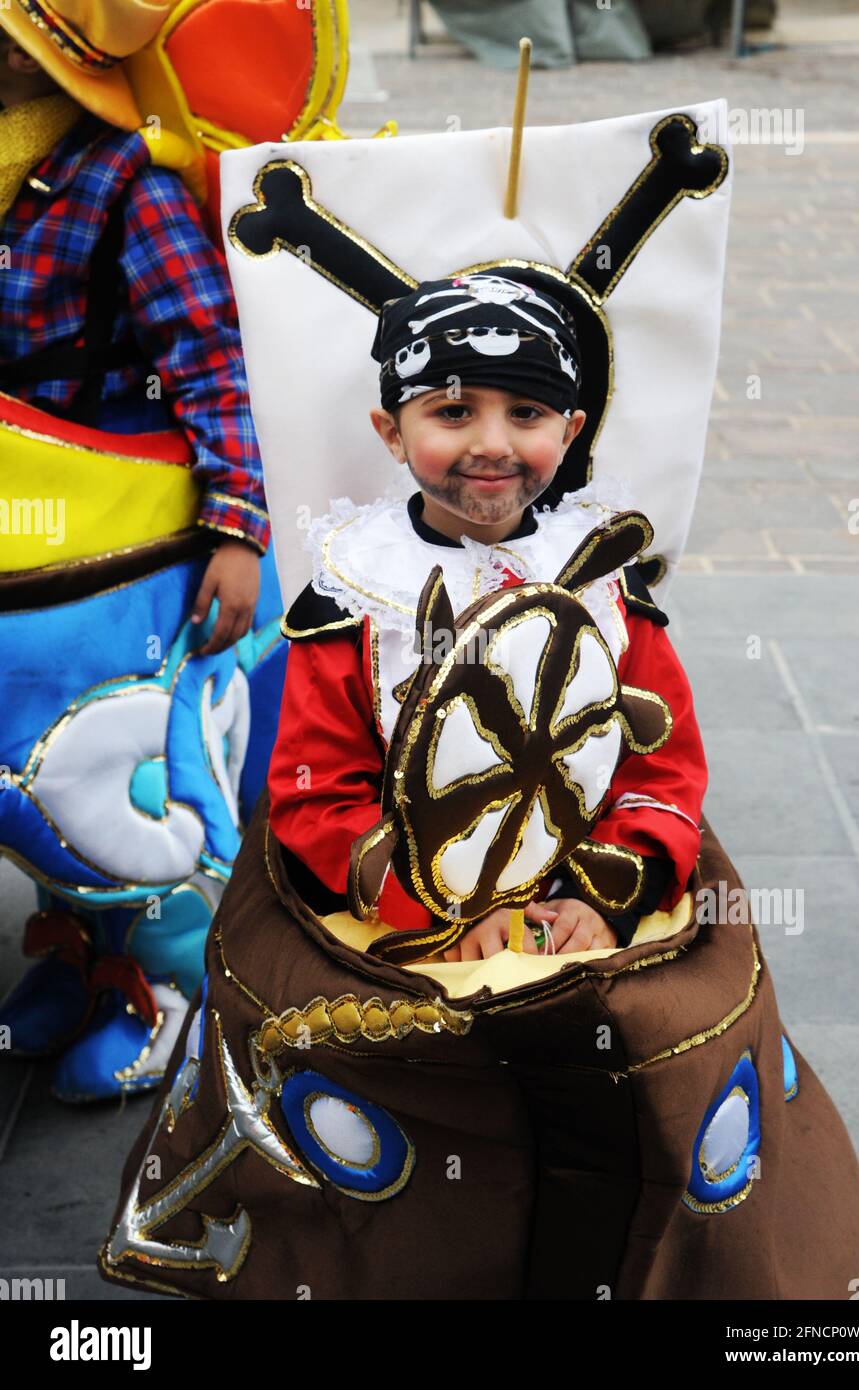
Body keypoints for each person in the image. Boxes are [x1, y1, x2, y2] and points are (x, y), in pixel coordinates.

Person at [0, 4, 283, 1102]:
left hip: (122, 551)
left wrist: (236, 529)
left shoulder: (130, 178)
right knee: (30, 796)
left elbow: (209, 362)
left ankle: (170, 988)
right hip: (25, 546)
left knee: (124, 798)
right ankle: (79, 958)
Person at [267, 274, 708, 959]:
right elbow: (317, 798)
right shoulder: (355, 597)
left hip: (581, 902)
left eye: (528, 413)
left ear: (570, 431)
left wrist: (602, 903)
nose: (492, 443)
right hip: (411, 916)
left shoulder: (605, 580)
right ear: (391, 431)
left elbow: (662, 768)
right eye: (453, 412)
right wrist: (435, 909)